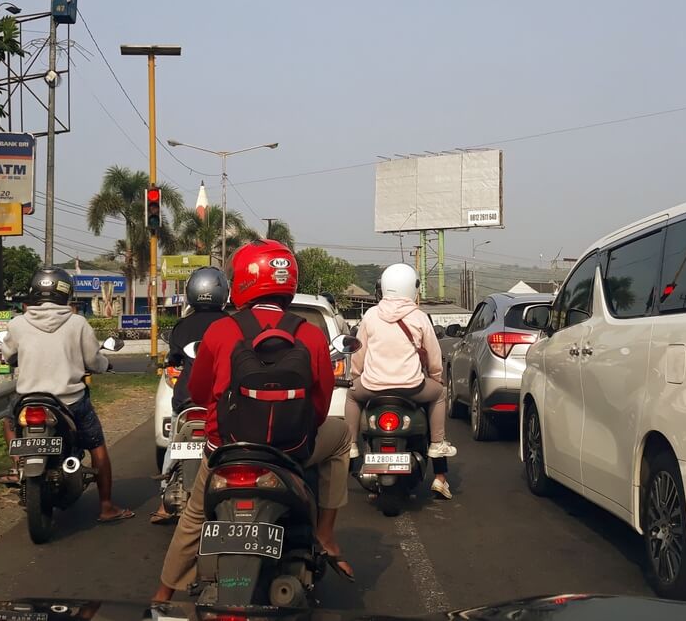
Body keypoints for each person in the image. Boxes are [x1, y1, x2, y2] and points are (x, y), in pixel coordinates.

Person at [152, 240, 353, 602]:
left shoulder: (220, 331)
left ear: (241, 282)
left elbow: (198, 394)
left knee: (195, 514)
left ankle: (163, 594)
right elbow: (320, 408)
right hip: (289, 453)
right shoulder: (310, 334)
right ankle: (326, 535)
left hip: (226, 451)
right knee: (340, 436)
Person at [0, 266, 134, 523]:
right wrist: (105, 365)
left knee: (8, 422)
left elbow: (8, 355)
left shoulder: (17, 323)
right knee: (97, 447)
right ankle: (106, 506)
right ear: (65, 292)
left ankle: (19, 462)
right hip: (71, 401)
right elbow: (93, 360)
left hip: (28, 400)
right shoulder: (77, 323)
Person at [346, 263, 457, 499]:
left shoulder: (371, 315)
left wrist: (356, 376)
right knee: (438, 394)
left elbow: (358, 354)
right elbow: (434, 357)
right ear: (411, 288)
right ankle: (437, 446)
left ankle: (351, 446)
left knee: (351, 395)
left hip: (372, 388)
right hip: (412, 388)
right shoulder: (419, 316)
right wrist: (436, 378)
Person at [150, 267, 230, 525]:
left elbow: (173, 358)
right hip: (221, 400)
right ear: (222, 293)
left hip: (186, 399)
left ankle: (164, 503)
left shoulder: (182, 325)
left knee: (175, 446)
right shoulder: (231, 324)